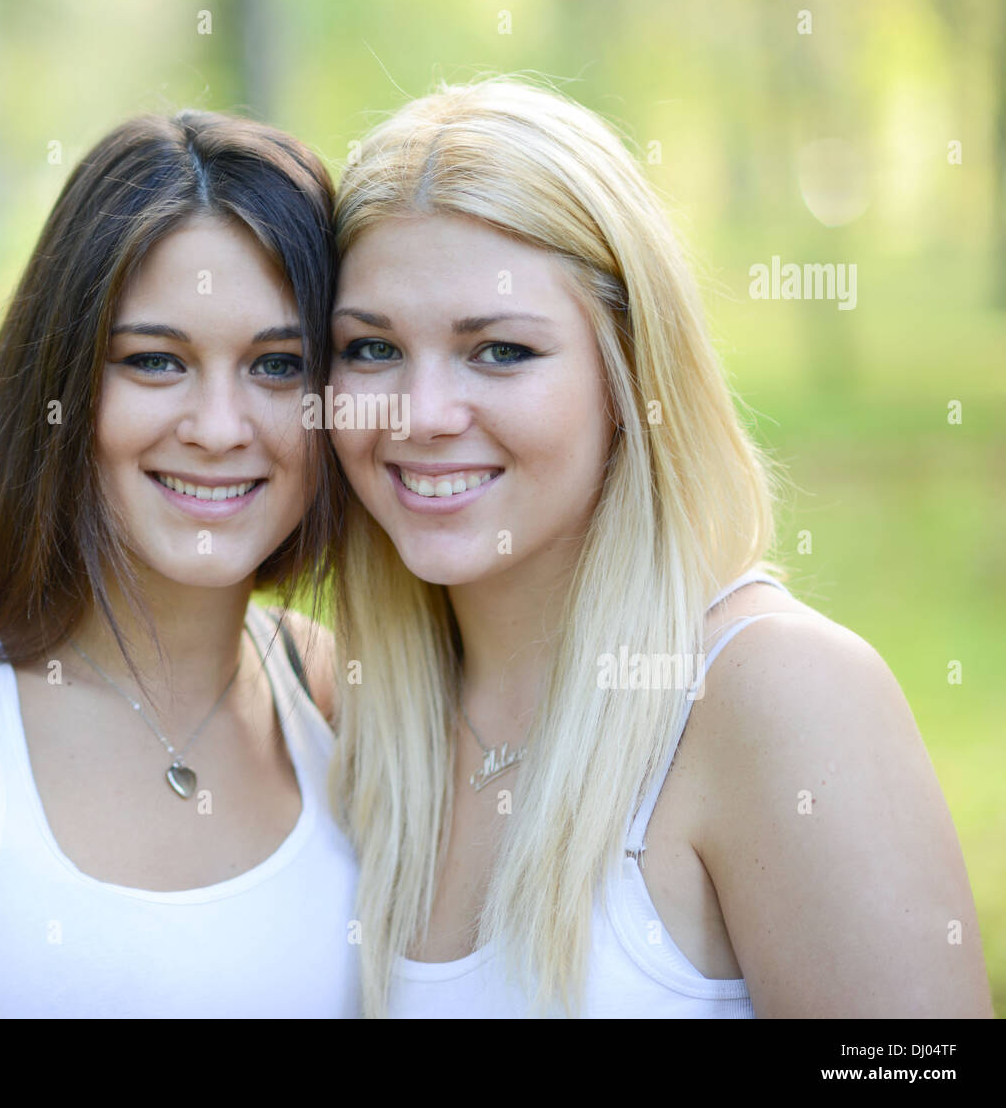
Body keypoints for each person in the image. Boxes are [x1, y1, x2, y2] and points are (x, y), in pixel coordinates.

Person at [324, 78, 993, 1019]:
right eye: (370, 348)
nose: (423, 413)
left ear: (629, 368)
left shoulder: (775, 691)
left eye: (501, 351)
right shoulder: (357, 716)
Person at [0, 111, 360, 1019]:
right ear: (63, 389)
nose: (217, 426)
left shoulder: (329, 694)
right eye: (156, 361)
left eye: (278, 366)